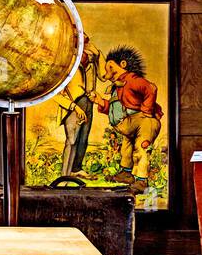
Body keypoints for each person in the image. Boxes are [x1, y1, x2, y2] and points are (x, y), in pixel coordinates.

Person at [92, 45, 161, 196]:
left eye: (111, 68)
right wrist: (100, 102)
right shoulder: (117, 87)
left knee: (141, 149)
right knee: (126, 150)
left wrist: (146, 112)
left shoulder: (133, 80)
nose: (108, 74)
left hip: (143, 122)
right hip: (129, 123)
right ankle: (126, 173)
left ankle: (142, 180)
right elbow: (116, 106)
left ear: (123, 64)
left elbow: (151, 89)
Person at [52, 36, 100, 178]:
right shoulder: (66, 65)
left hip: (88, 105)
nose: (86, 45)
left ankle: (76, 169)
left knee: (83, 139)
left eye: (86, 42)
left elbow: (104, 75)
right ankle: (65, 177)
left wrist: (97, 54)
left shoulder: (91, 63)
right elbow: (55, 94)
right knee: (72, 141)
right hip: (73, 107)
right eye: (82, 43)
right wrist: (74, 107)